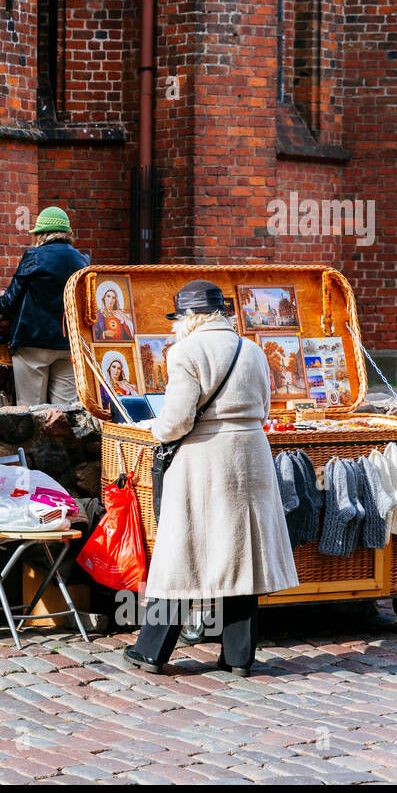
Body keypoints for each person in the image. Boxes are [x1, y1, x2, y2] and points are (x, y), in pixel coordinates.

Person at [122, 280, 299, 677]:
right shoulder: (251, 349)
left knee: (184, 554)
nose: (175, 326)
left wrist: (156, 430)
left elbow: (179, 418)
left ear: (191, 317)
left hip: (204, 459)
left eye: (178, 318)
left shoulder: (185, 350)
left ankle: (152, 652)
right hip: (252, 455)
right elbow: (266, 405)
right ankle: (238, 658)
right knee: (242, 557)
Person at [0, 206, 88, 407]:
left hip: (32, 343)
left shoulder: (35, 256)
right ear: (67, 234)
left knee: (32, 411)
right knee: (65, 412)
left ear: (41, 234)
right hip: (68, 343)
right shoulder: (82, 260)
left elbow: (8, 302)